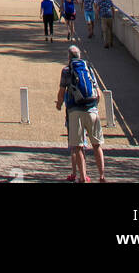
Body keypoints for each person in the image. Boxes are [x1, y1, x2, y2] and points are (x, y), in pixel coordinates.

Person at [56, 45, 106, 183]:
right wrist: (94, 107)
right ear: (80, 56)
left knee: (78, 146)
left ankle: (83, 177)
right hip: (92, 110)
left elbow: (61, 92)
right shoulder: (88, 68)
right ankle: (102, 176)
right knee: (97, 145)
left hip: (75, 111)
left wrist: (59, 105)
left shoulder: (66, 70)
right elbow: (98, 92)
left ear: (68, 57)